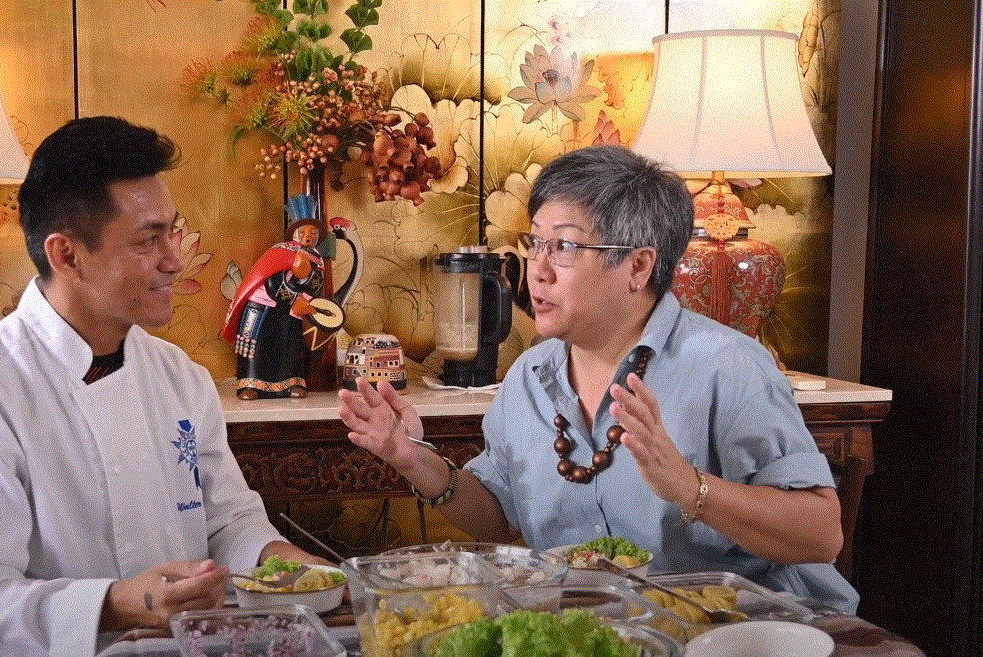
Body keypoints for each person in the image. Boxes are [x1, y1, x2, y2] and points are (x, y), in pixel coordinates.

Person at [338, 144, 858, 613]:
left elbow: (821, 534)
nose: (537, 270)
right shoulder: (528, 380)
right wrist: (411, 458)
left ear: (637, 266)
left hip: (747, 632)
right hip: (604, 634)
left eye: (564, 248)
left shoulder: (727, 367)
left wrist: (688, 486)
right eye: (534, 243)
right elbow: (500, 516)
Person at [0, 116, 330, 656]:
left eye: (171, 231)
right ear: (67, 255)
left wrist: (286, 561)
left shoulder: (179, 377)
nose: (174, 259)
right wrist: (114, 603)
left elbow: (229, 520)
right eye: (147, 240)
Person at [221, 218, 326, 399]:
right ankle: (250, 384)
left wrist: (304, 279)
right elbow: (272, 280)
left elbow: (316, 285)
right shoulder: (281, 250)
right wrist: (294, 297)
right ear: (294, 234)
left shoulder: (317, 258)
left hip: (291, 310)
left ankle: (292, 382)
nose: (308, 237)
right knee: (256, 345)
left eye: (313, 234)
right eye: (303, 232)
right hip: (263, 303)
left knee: (289, 344)